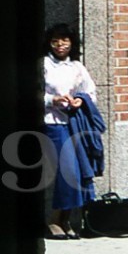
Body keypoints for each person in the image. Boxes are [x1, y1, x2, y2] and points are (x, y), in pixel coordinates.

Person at [42, 23, 102, 238]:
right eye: (56, 40)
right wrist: (52, 100)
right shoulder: (44, 65)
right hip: (53, 123)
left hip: (75, 124)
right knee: (68, 171)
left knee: (79, 173)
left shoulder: (77, 67)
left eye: (65, 40)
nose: (60, 45)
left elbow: (91, 91)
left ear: (72, 43)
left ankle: (64, 220)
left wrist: (79, 100)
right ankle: (54, 220)